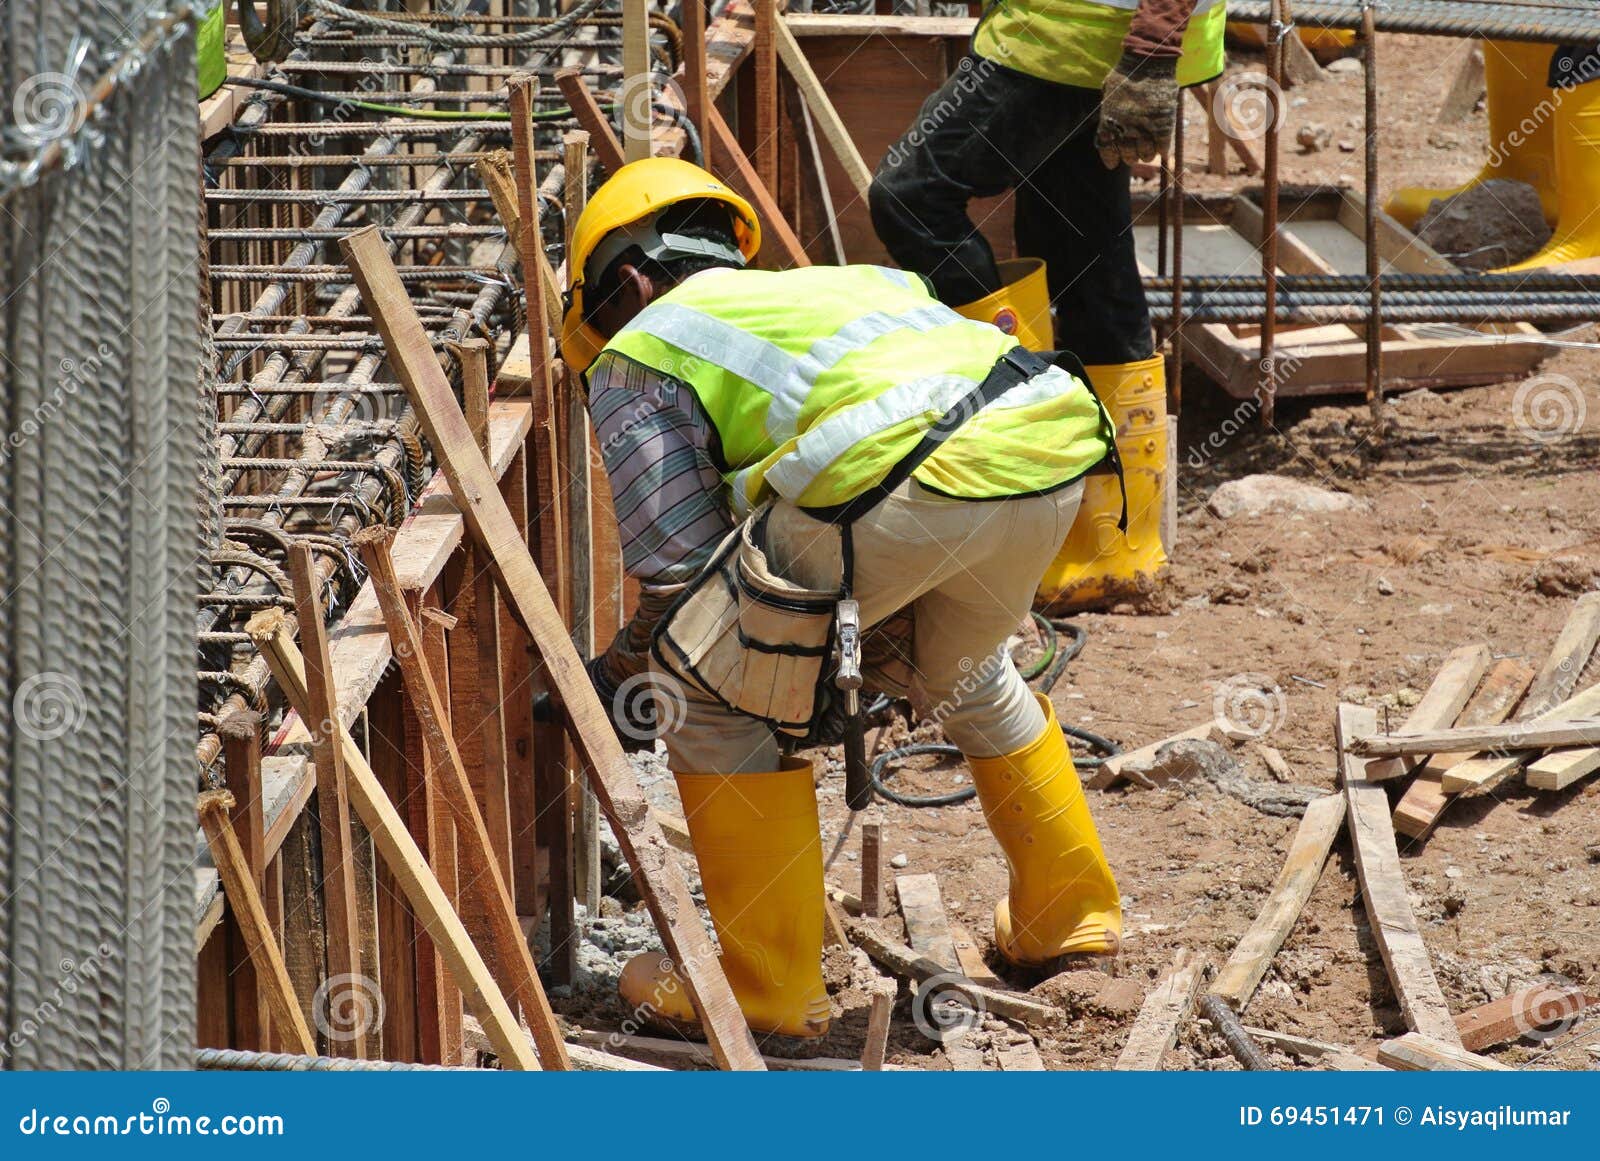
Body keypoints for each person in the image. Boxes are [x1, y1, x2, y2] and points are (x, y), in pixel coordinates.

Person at [561, 157, 1123, 1041]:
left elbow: (678, 580)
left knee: (705, 684)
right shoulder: (847, 285)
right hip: (1051, 449)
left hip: (904, 482)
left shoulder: (638, 351)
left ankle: (763, 990)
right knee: (968, 670)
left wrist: (607, 685)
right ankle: (1069, 916)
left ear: (627, 283)